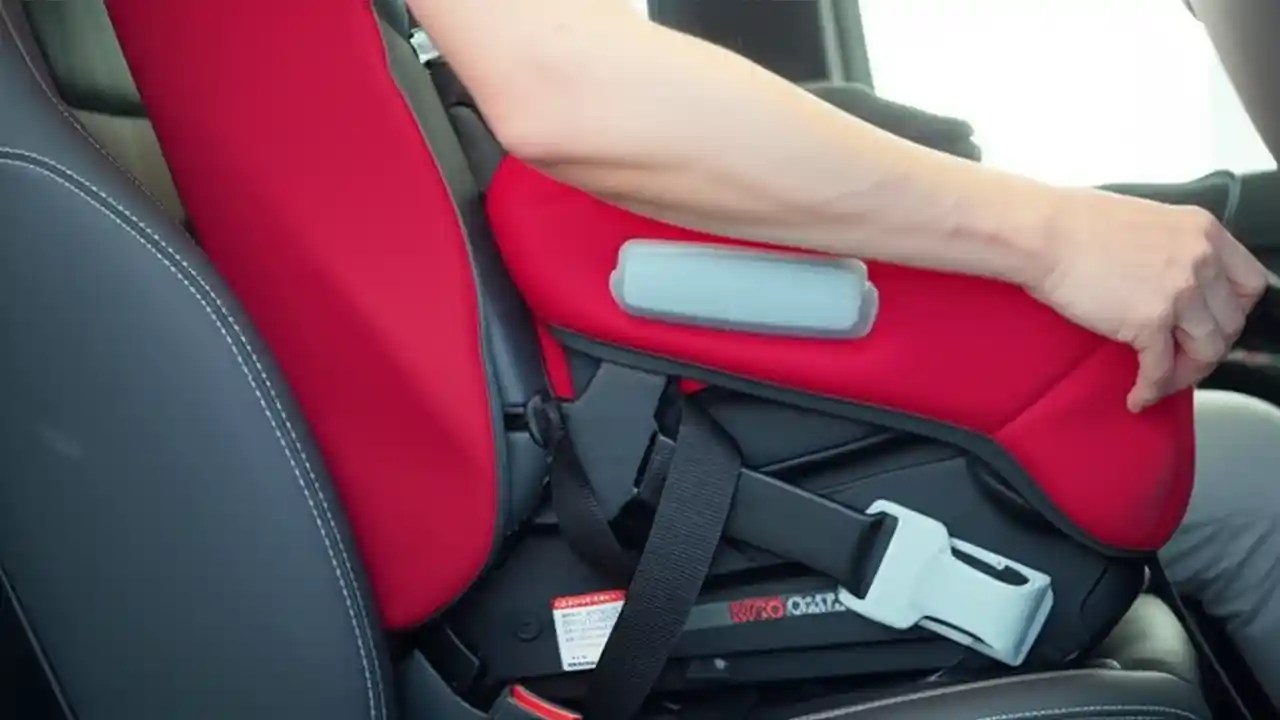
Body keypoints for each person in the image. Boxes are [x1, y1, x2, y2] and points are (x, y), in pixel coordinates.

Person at [406, 0, 1280, 705]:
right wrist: (1052, 236)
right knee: (1251, 474)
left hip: (588, 430)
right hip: (585, 494)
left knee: (1239, 447)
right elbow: (563, 81)